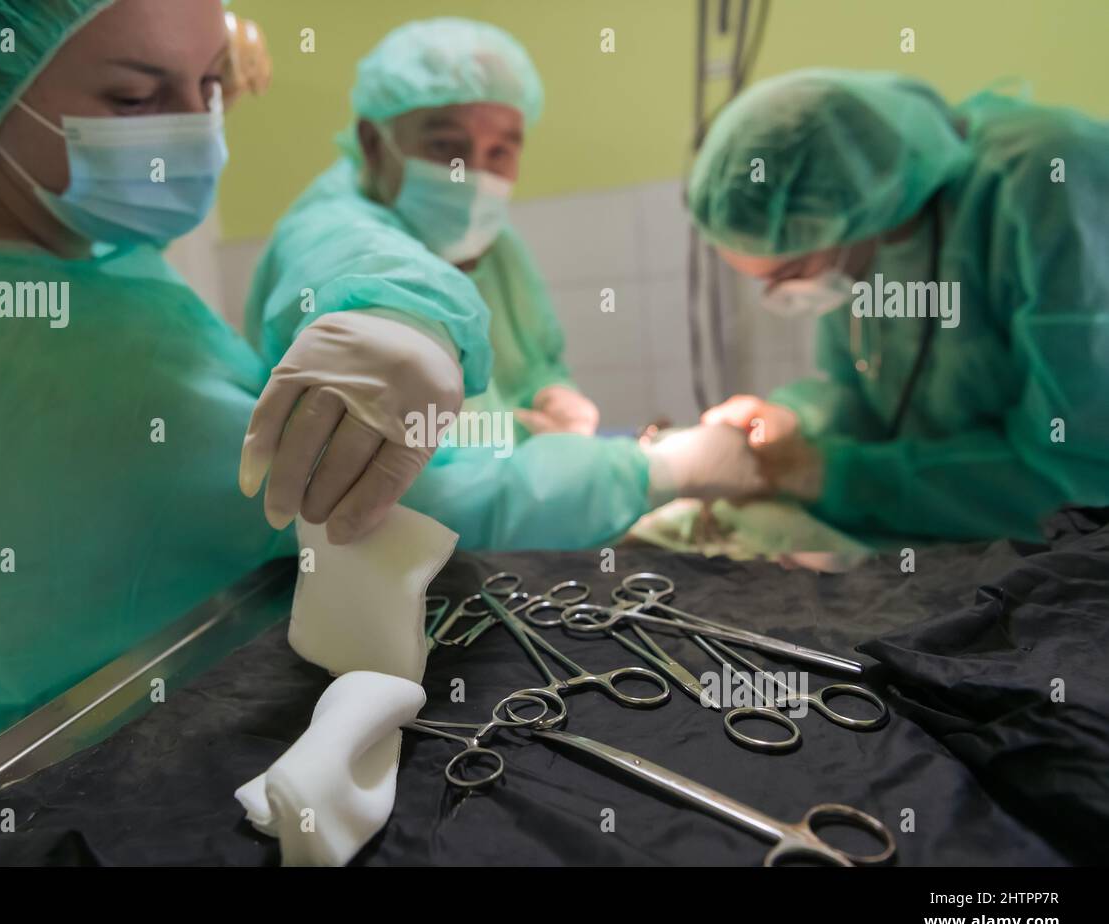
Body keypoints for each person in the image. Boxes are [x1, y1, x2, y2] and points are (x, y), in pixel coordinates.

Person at [0, 0, 478, 801]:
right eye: (133, 100)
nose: (197, 133)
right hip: (66, 791)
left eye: (211, 82)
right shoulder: (91, 373)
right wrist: (648, 466)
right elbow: (394, 500)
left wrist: (383, 300)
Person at [688, 69, 1109, 541]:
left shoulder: (1052, 180)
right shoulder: (869, 234)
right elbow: (865, 399)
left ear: (846, 211)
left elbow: (1081, 480)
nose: (783, 295)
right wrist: (791, 422)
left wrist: (834, 474)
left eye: (789, 275)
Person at [244, 17, 599, 444]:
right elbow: (359, 268)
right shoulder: (327, 229)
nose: (473, 174)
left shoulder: (496, 245)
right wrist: (402, 319)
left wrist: (549, 393)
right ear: (374, 143)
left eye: (500, 150)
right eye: (446, 146)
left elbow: (535, 364)